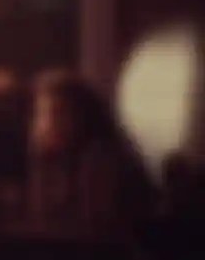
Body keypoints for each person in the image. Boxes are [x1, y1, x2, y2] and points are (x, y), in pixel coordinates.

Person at [26, 69, 154, 232]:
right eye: (41, 113)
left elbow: (91, 230)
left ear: (80, 117)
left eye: (57, 113)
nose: (45, 124)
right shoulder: (51, 161)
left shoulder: (100, 161)